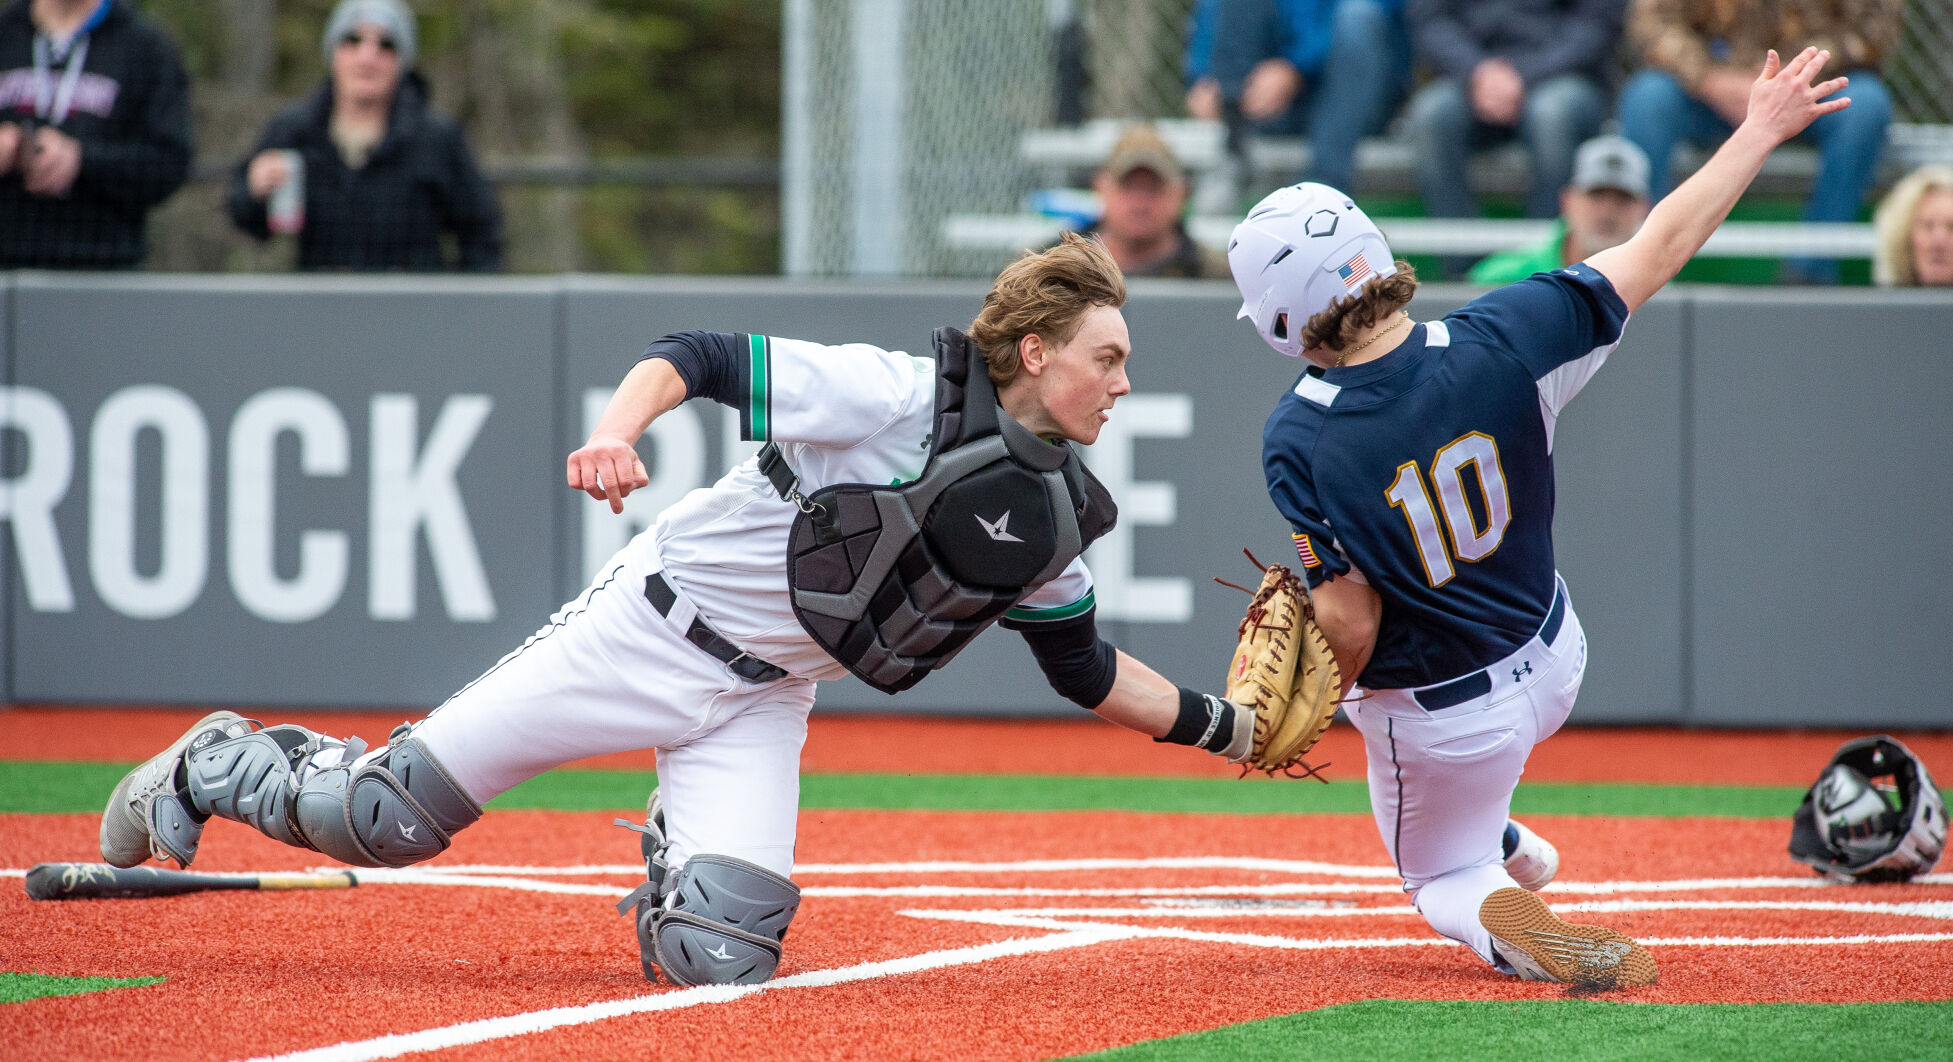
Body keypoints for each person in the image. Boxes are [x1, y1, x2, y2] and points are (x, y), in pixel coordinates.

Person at [100, 233, 1265, 988]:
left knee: (721, 959)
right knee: (380, 821)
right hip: (648, 628)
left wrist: (1234, 730)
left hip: (763, 700)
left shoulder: (1054, 514)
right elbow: (698, 353)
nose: (1122, 383)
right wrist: (618, 430)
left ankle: (677, 843)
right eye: (1107, 357)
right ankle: (213, 764)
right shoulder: (894, 395)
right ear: (1033, 350)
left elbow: (1085, 670)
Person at [1225, 47, 1847, 987]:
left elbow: (1349, 627)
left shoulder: (1298, 434)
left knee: (1434, 874)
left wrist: (1292, 712)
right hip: (1556, 657)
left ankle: (1500, 885)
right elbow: (1660, 245)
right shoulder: (1505, 332)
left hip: (1442, 719)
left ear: (1282, 316)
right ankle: (1497, 831)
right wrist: (1757, 128)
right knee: (1450, 777)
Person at [1618, 0, 1896, 284]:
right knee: (1647, 98)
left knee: (1866, 106)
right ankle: (1640, 266)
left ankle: (1810, 271)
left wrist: (1797, 73)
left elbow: (1874, 27)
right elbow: (1651, 23)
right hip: (1710, 93)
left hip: (1808, 90)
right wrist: (1710, 79)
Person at [226, 0, 501, 271]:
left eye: (386, 45)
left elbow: (482, 231)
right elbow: (248, 221)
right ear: (333, 51)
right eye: (352, 40)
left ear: (402, 60)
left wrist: (457, 304)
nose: (367, 57)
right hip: (321, 304)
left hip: (411, 307)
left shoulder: (437, 138)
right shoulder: (295, 130)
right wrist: (254, 190)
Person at [1402, 0, 1623, 237]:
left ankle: (1544, 264)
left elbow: (1596, 23)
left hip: (1563, 75)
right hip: (1470, 76)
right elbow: (1429, 19)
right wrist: (1478, 72)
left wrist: (1523, 75)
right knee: (1433, 114)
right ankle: (1464, 271)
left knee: (1551, 115)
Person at [0, 0, 190, 268]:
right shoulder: (6, 33)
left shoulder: (144, 47)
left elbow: (170, 162)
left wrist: (82, 161)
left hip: (102, 269)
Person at [1185, 0, 1411, 208]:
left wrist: (1296, 69)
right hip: (1274, 104)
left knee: (1359, 16)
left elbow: (1385, 20)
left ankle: (1323, 195)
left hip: (1354, 103)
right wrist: (1205, 78)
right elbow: (1214, 13)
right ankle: (1232, 154)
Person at [1468, 134, 1652, 285]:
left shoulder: (1653, 288)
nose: (1607, 211)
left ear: (1644, 208)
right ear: (1568, 200)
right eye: (1596, 195)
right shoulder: (1501, 279)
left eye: (1623, 199)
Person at [1075, 124, 1228, 279]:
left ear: (1182, 192)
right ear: (1100, 188)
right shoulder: (1058, 267)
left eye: (1154, 188)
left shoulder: (1217, 277)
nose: (1139, 203)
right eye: (1128, 186)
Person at [1871, 165, 1953, 288]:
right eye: (1927, 226)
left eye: (1952, 227)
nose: (1939, 240)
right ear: (1903, 237)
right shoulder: (1880, 305)